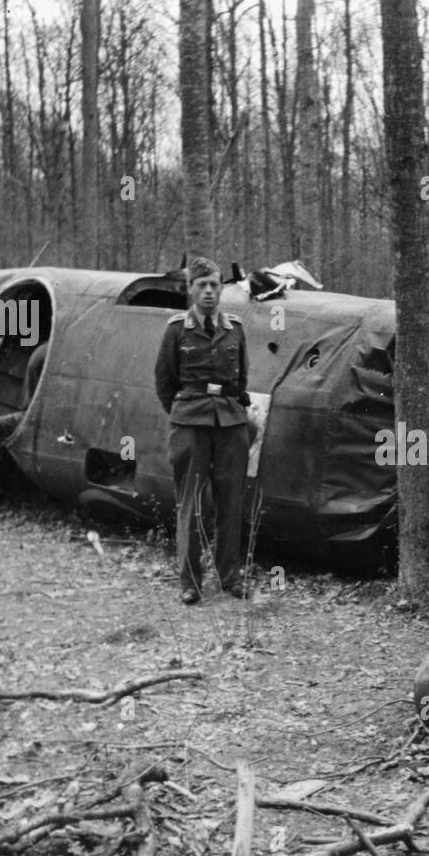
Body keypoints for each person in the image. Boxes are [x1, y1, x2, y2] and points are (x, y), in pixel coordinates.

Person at [154, 256, 251, 604]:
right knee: (190, 504)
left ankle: (229, 577)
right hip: (190, 425)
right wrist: (183, 413)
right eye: (202, 285)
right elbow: (164, 382)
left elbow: (241, 379)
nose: (209, 291)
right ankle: (190, 583)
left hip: (230, 423)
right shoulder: (176, 329)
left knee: (231, 503)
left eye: (214, 285)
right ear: (190, 289)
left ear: (221, 289)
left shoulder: (235, 328)